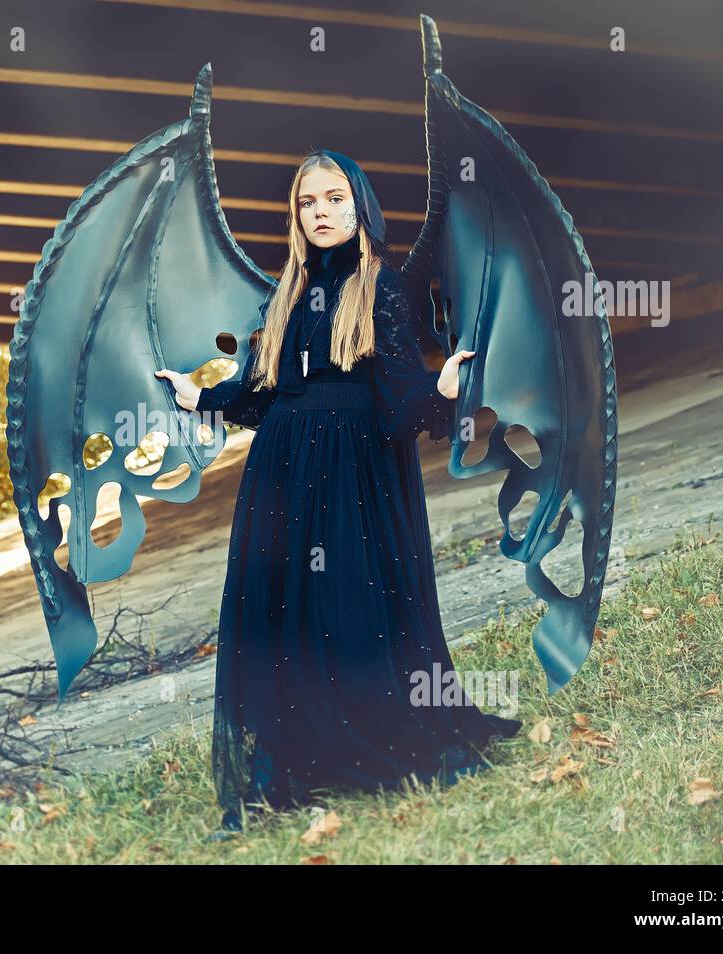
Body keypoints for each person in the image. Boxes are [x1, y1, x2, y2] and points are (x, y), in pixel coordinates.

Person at [155, 149, 522, 834]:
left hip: (355, 471)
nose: (320, 212)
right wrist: (202, 395)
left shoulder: (380, 286)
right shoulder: (286, 292)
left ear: (359, 206)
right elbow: (265, 394)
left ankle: (376, 732)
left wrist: (442, 392)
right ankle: (285, 757)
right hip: (282, 469)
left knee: (351, 604)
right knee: (286, 612)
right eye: (307, 202)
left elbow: (401, 395)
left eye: (332, 199)